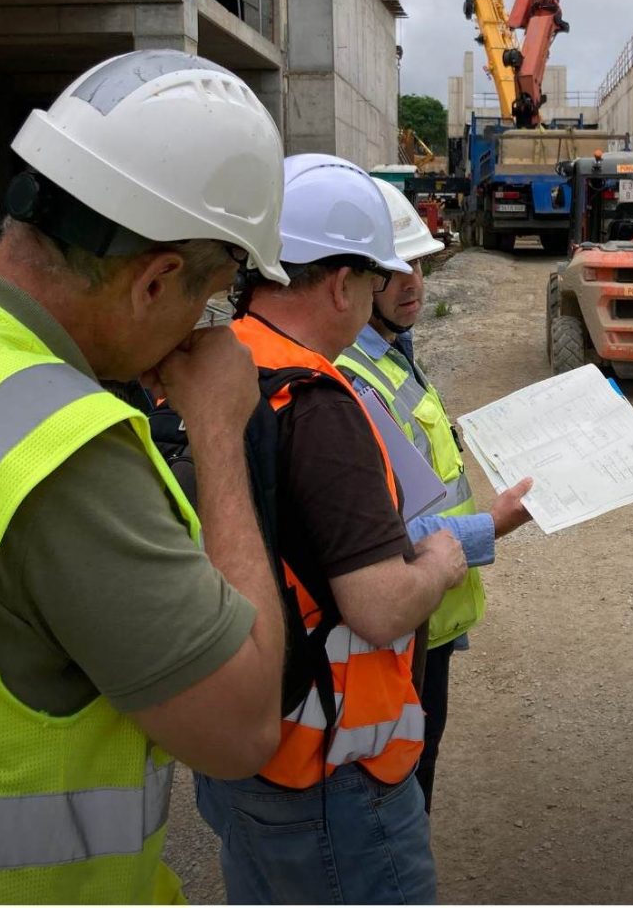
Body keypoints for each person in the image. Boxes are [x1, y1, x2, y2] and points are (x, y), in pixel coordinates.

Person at [0, 50, 289, 904]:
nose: (208, 325)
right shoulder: (61, 451)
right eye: (214, 296)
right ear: (156, 279)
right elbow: (241, 727)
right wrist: (220, 436)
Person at [194, 154, 467, 905]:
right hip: (332, 771)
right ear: (344, 283)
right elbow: (377, 604)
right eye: (376, 280)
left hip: (248, 745)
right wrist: (440, 563)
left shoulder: (221, 362)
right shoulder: (318, 401)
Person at [337, 179, 533, 811]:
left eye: (419, 263)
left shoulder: (393, 352)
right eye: (395, 270)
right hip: (391, 628)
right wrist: (492, 524)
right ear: (355, 279)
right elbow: (372, 540)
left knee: (418, 772)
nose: (413, 281)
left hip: (427, 622)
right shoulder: (344, 378)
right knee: (395, 789)